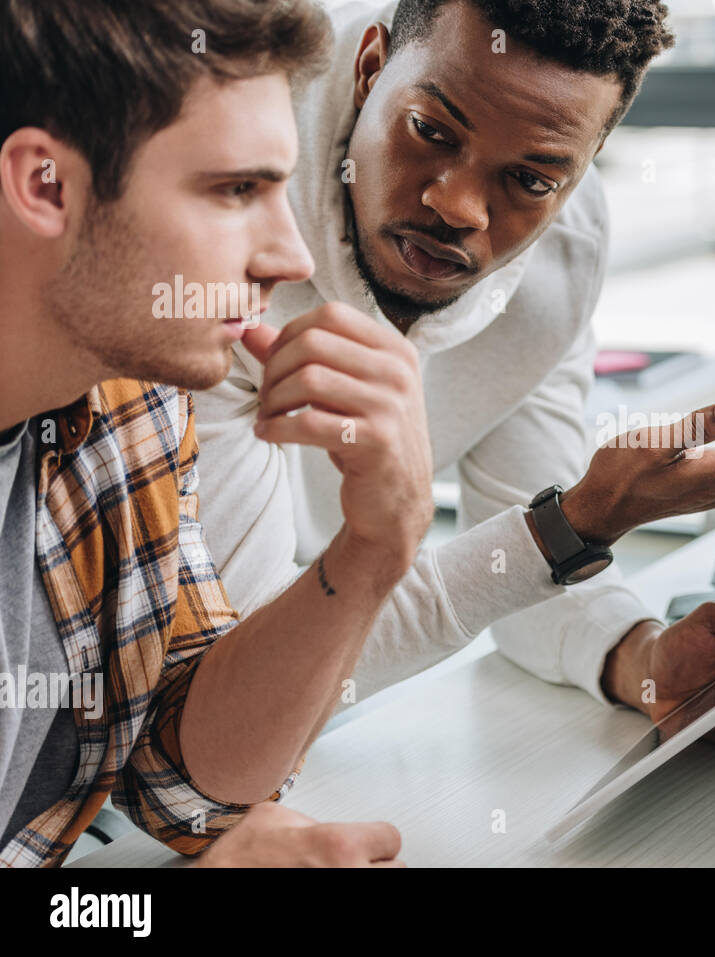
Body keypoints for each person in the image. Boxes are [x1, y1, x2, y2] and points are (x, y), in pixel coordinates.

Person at [195, 0, 715, 747]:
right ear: (369, 70)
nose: (456, 206)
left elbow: (517, 567)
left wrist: (644, 660)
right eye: (431, 131)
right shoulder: (221, 222)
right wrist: (573, 525)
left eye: (529, 180)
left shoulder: (559, 257)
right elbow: (233, 672)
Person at [0, 0, 432, 867]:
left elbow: (180, 778)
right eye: (237, 189)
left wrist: (377, 547)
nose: (293, 257)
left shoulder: (129, 394)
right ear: (46, 183)